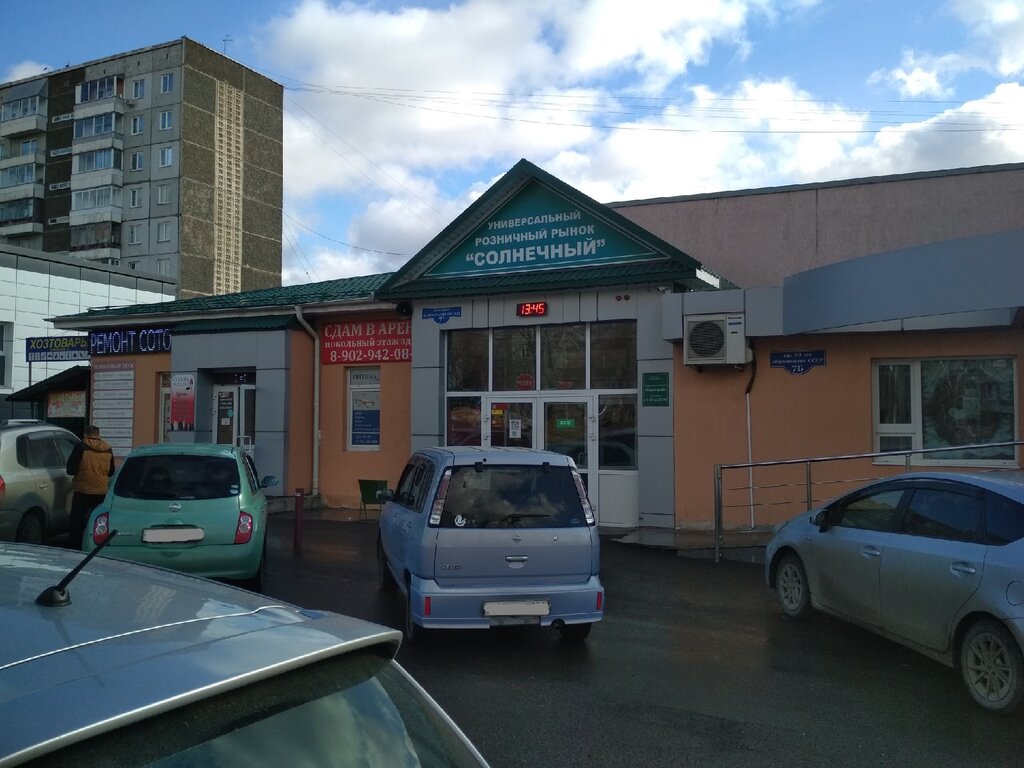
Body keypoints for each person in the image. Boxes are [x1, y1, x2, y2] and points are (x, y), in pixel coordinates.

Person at [66, 425, 115, 550]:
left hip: (83, 489)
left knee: (76, 520)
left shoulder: (81, 446)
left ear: (85, 434)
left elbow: (71, 470)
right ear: (98, 434)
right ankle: (96, 544)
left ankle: (76, 546)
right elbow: (111, 472)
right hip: (101, 491)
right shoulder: (108, 449)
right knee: (98, 520)